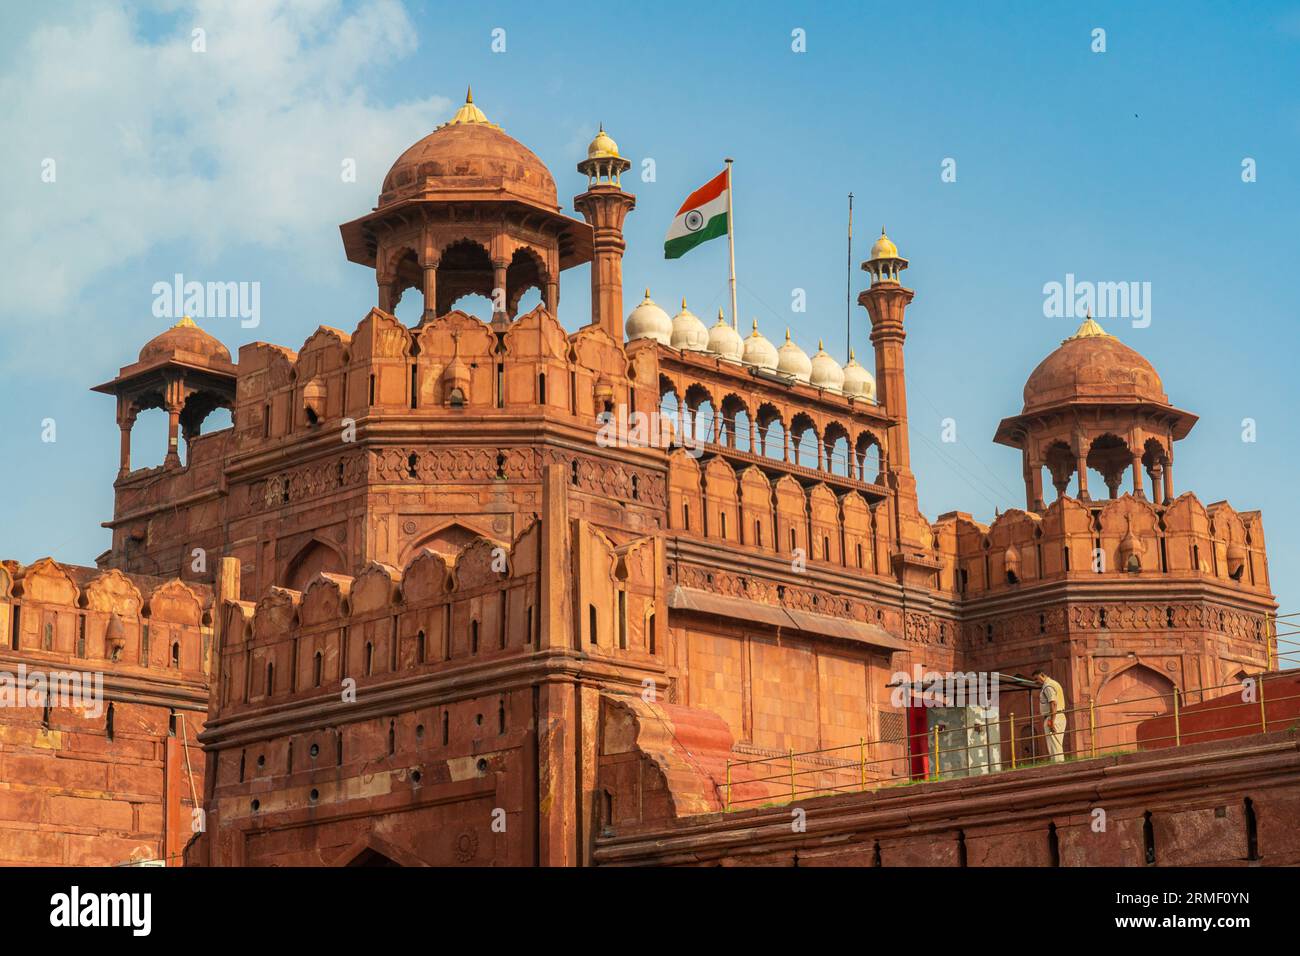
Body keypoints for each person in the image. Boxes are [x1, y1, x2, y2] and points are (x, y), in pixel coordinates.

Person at [1033, 668, 1067, 762]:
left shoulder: (1048, 686)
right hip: (1058, 716)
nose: (1036, 682)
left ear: (1042, 675)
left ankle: (1058, 767)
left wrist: (1052, 721)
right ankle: (1060, 765)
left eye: (1037, 679)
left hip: (1053, 717)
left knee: (1054, 745)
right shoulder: (1054, 683)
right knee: (1056, 743)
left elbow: (1053, 703)